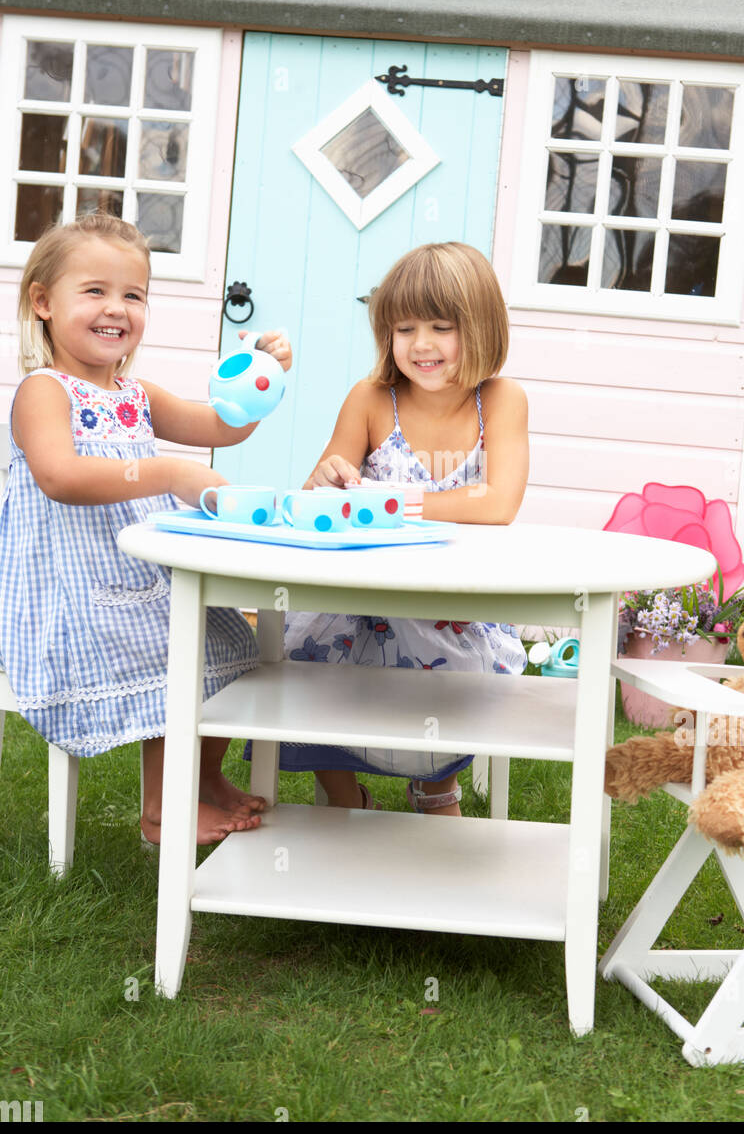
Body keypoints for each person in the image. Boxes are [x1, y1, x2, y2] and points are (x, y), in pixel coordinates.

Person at [0, 213, 292, 844]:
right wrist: (165, 473)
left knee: (233, 645)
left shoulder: (134, 393)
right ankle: (162, 810)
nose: (117, 309)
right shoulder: (43, 391)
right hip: (73, 593)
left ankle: (203, 779)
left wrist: (262, 382)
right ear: (43, 302)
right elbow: (60, 476)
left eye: (133, 295)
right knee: (174, 652)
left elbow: (221, 425)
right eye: (95, 291)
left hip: (138, 579)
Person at [271, 241, 529, 817]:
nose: (423, 345)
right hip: (359, 599)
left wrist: (392, 500)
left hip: (454, 604)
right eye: (405, 327)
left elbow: (498, 503)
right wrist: (327, 480)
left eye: (442, 326)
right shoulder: (370, 400)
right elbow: (325, 492)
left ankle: (435, 785)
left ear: (481, 326)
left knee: (450, 671)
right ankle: (342, 795)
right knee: (300, 653)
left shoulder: (501, 401)